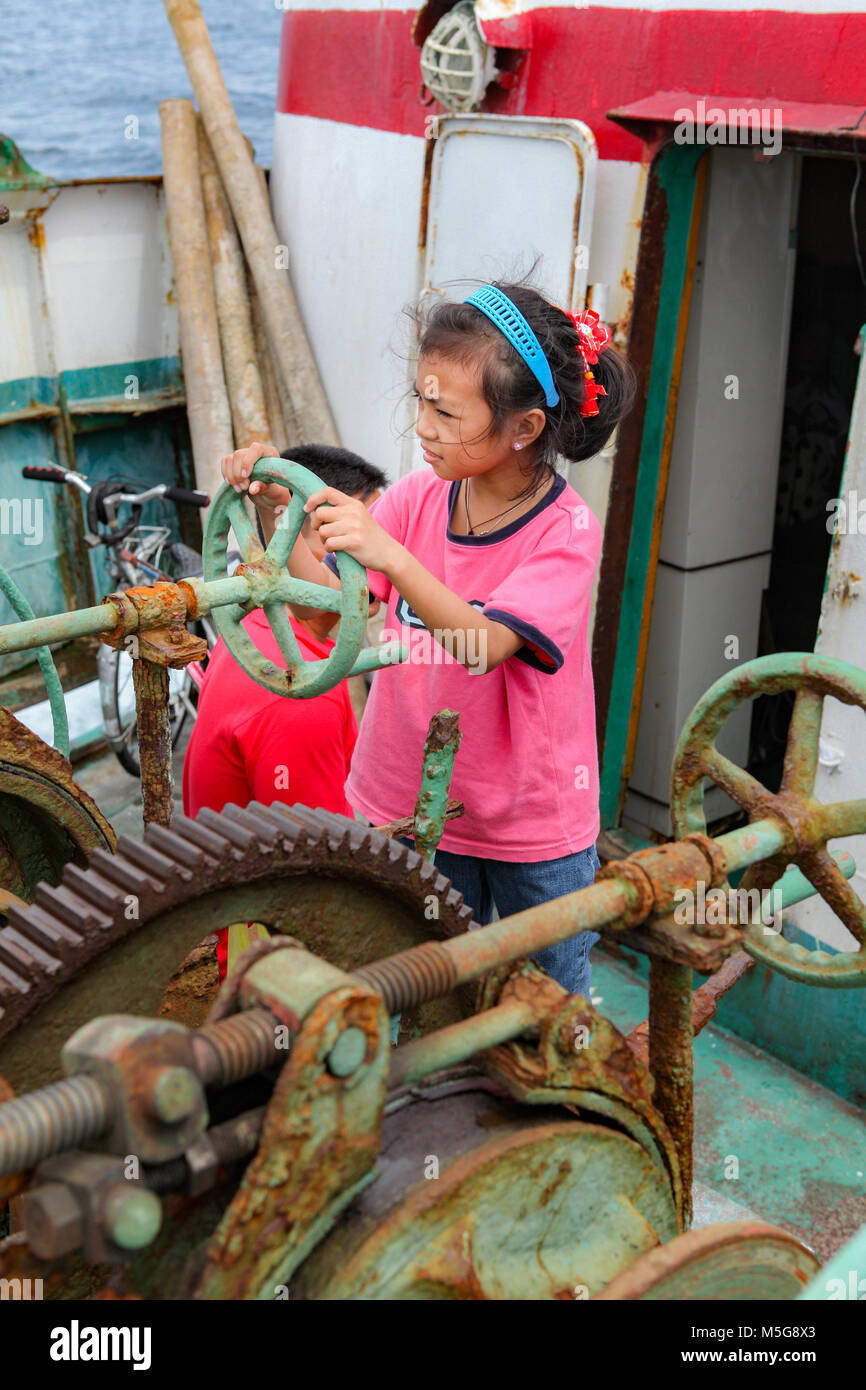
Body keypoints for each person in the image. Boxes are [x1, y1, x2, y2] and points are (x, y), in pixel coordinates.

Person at [222, 280, 634, 996]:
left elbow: (485, 646)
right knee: (429, 988)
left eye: (445, 410)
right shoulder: (418, 497)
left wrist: (393, 557)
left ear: (524, 428)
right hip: (412, 804)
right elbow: (330, 606)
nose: (424, 426)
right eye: (421, 399)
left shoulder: (564, 534)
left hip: (526, 824)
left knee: (548, 998)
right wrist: (282, 511)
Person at [182, 443, 386, 821]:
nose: (383, 549)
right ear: (293, 535)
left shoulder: (254, 633)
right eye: (365, 531)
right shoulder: (299, 689)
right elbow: (315, 857)